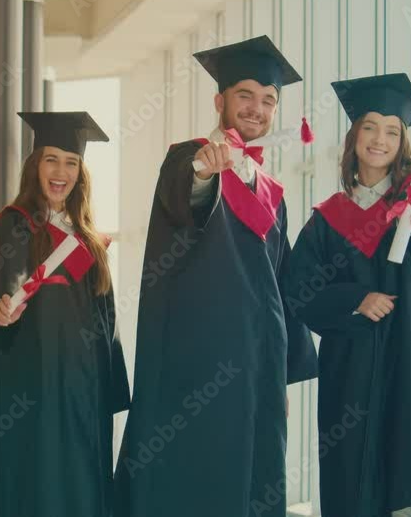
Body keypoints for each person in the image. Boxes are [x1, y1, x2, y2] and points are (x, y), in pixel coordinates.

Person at [114, 35, 318, 517]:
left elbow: (281, 287)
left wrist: (280, 375)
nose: (257, 108)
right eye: (245, 95)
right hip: (197, 365)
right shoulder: (188, 158)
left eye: (268, 100)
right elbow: (185, 197)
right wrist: (205, 171)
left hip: (256, 369)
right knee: (194, 477)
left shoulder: (271, 191)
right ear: (219, 100)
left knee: (252, 480)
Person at [284, 74, 411, 517]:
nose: (380, 139)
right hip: (351, 372)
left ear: (402, 142)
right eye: (370, 127)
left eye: (392, 130)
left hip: (409, 363)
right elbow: (298, 290)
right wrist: (354, 300)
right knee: (353, 484)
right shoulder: (327, 220)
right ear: (354, 136)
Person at [0, 111, 131, 517]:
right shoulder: (13, 227)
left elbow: (104, 316)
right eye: (51, 159)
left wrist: (109, 388)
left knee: (84, 487)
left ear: (81, 174)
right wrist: (2, 314)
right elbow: (7, 290)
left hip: (84, 393)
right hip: (37, 392)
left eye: (71, 162)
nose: (60, 171)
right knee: (42, 487)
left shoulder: (87, 239)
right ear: (35, 166)